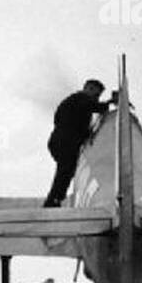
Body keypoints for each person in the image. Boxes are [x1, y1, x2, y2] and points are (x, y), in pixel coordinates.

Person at [42, 79, 115, 207]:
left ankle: (55, 199)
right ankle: (53, 201)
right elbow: (93, 107)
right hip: (65, 142)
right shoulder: (80, 99)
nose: (97, 99)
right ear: (89, 89)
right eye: (96, 95)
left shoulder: (74, 102)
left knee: (66, 171)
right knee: (65, 171)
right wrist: (110, 102)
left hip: (61, 141)